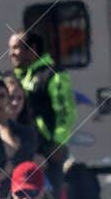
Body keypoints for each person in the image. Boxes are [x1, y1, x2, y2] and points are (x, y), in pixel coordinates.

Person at [10, 31, 76, 190]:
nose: (11, 53)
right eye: (10, 48)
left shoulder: (53, 74)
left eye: (16, 48)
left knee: (49, 197)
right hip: (22, 148)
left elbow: (66, 112)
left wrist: (58, 143)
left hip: (48, 150)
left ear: (32, 49)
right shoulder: (15, 77)